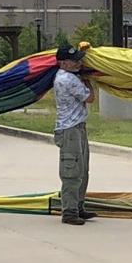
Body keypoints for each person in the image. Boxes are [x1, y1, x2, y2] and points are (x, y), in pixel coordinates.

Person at [53, 44, 97, 225]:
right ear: (63, 63)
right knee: (72, 171)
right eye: (74, 60)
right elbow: (90, 98)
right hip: (69, 129)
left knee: (82, 169)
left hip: (77, 126)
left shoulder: (71, 76)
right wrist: (88, 81)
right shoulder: (67, 79)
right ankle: (69, 211)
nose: (78, 62)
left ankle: (78, 207)